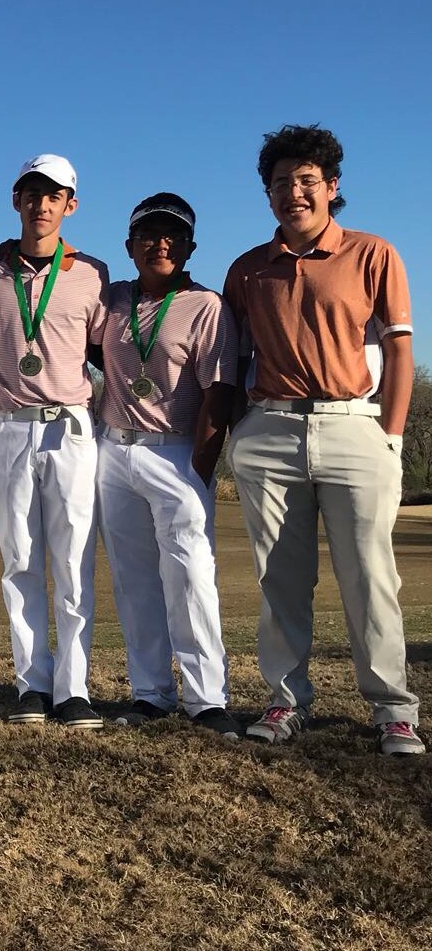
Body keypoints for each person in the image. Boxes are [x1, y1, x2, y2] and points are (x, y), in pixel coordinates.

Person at [224, 124, 423, 755]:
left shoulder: (372, 253)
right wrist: (239, 432)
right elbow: (234, 359)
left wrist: (391, 437)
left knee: (370, 576)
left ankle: (393, 709)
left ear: (331, 187)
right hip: (271, 429)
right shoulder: (247, 269)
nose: (294, 193)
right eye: (281, 183)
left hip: (354, 426)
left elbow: (399, 351)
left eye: (307, 180)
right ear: (268, 194)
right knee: (280, 580)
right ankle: (286, 700)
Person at [93, 193, 240, 738]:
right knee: (134, 581)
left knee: (190, 576)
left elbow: (219, 393)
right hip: (114, 450)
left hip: (177, 451)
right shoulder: (113, 299)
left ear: (190, 247)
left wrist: (199, 470)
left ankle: (207, 698)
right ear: (129, 246)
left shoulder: (206, 306)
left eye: (173, 236)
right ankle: (151, 692)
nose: (160, 244)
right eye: (149, 235)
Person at [0, 155, 108, 730]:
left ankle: (73, 688)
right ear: (16, 200)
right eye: (31, 194)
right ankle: (32, 684)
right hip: (9, 424)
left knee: (74, 560)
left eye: (53, 196)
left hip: (71, 425)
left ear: (70, 205)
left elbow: (112, 352)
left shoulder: (92, 273)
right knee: (20, 561)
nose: (41, 205)